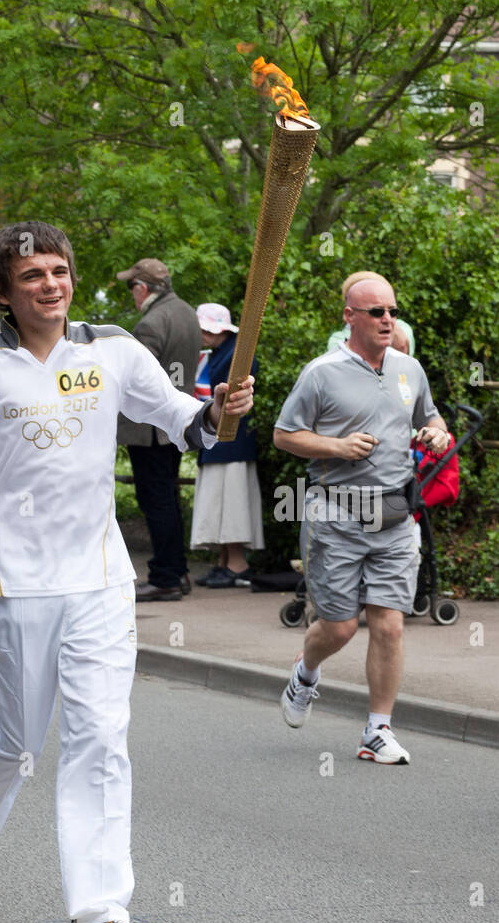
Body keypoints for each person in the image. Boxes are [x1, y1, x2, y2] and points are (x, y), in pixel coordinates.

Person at [0, 220, 253, 923]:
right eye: (31, 276)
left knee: (99, 736)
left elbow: (186, 424)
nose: (49, 285)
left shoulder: (112, 351)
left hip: (98, 579)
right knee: (22, 738)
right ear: (3, 292)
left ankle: (97, 915)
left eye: (58, 271)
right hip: (14, 584)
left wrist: (222, 408)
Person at [274, 273, 451, 766]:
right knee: (340, 628)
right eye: (375, 312)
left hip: (395, 513)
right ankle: (306, 672)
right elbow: (285, 435)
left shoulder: (409, 368)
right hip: (336, 512)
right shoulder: (321, 373)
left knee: (390, 626)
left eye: (391, 311)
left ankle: (377, 729)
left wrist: (435, 433)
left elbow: (430, 416)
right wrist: (336, 446)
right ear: (349, 316)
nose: (387, 320)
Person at [115, 257, 203, 601]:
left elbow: (138, 380)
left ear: (142, 288)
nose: (132, 296)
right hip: (174, 424)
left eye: (132, 288)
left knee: (156, 502)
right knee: (167, 498)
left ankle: (166, 576)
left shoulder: (152, 322)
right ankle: (176, 572)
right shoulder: (185, 311)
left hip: (150, 428)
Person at [191, 303, 264, 586]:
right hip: (215, 442)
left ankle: (236, 564)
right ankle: (224, 562)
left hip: (232, 444)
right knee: (217, 502)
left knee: (231, 503)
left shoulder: (238, 354)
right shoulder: (218, 353)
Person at [326, 270, 418, 357]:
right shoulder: (337, 339)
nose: (387, 319)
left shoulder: (402, 326)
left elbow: (402, 347)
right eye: (376, 311)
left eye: (393, 312)